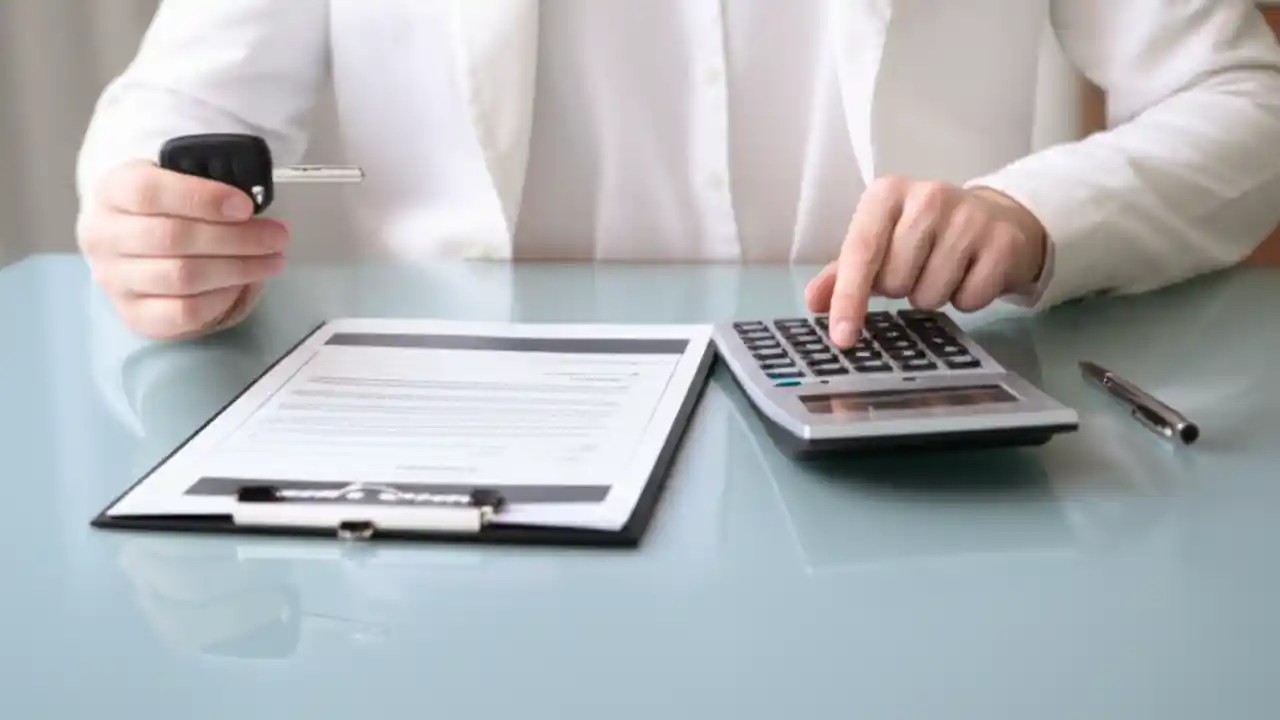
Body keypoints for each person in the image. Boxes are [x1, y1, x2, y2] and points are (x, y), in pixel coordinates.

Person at [75, 1, 1280, 347]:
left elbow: (1244, 102)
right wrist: (143, 208)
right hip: (461, 446)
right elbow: (183, 105)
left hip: (893, 404)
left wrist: (1033, 214)